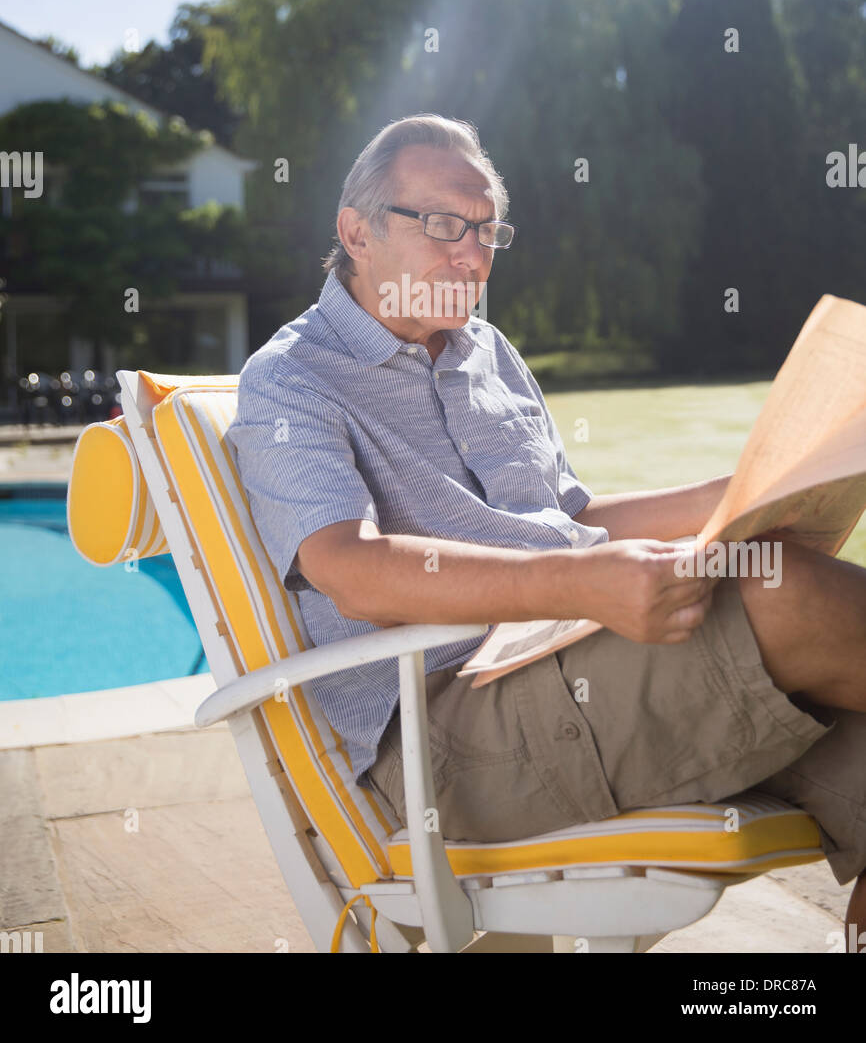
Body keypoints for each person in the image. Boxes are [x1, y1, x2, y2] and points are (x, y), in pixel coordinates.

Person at [227, 113, 866, 952]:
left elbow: (569, 521)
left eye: (488, 229)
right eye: (445, 224)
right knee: (786, 591)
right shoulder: (292, 381)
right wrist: (577, 583)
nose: (472, 252)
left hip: (565, 656)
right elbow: (352, 570)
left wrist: (741, 492)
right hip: (442, 737)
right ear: (357, 231)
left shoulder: (485, 351)